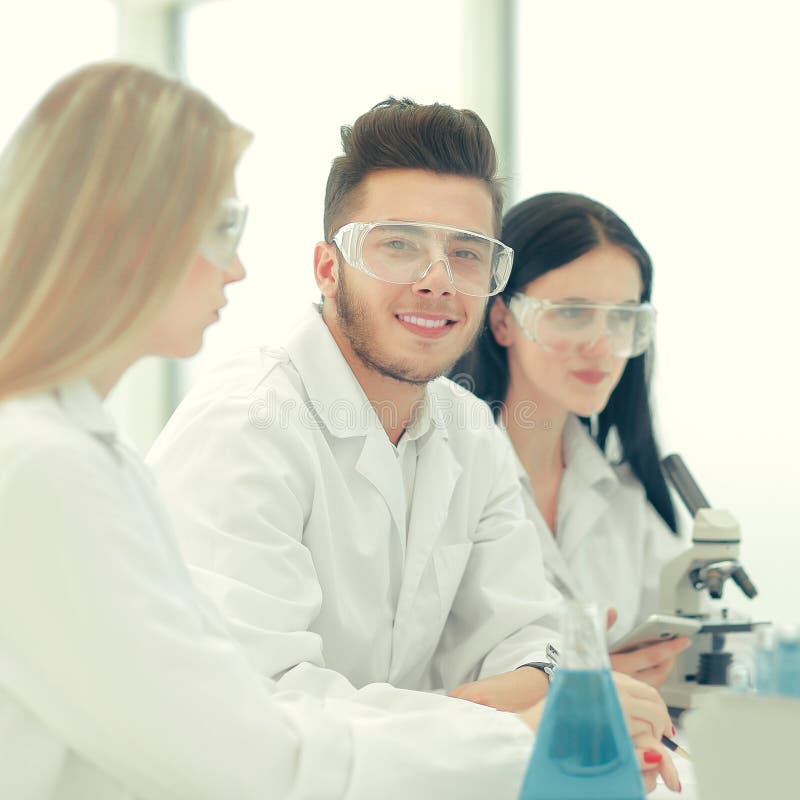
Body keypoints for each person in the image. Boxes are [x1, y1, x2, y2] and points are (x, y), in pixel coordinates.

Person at [0, 66, 679, 799]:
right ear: (328, 266)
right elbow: (258, 730)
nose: (437, 279)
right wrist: (523, 729)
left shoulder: (466, 432)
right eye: (398, 246)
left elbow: (532, 647)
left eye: (467, 253)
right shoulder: (228, 428)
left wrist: (531, 711)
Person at [452, 192, 689, 689]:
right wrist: (579, 682)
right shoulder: (445, 475)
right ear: (501, 320)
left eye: (622, 317)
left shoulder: (624, 498)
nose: (602, 346)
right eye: (573, 312)